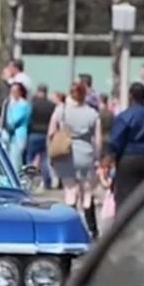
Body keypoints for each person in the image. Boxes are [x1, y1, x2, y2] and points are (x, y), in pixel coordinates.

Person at [108, 82, 144, 209]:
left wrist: (111, 157)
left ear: (130, 96)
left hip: (129, 157)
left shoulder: (125, 116)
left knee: (124, 195)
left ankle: (124, 225)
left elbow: (115, 141)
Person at [49, 81, 101, 215]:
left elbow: (51, 133)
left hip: (66, 153)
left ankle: (71, 221)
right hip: (86, 154)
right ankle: (92, 228)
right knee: (87, 192)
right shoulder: (92, 113)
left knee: (70, 191)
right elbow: (98, 140)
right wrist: (97, 158)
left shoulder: (61, 110)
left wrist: (51, 153)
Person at [26, 84, 55, 183]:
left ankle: (29, 178)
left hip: (34, 132)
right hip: (46, 133)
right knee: (44, 159)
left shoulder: (33, 104)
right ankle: (47, 180)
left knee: (30, 157)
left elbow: (29, 119)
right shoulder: (51, 105)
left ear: (38, 91)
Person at [3, 81, 32, 166]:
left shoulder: (23, 105)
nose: (13, 94)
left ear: (20, 92)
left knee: (15, 161)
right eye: (12, 91)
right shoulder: (9, 103)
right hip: (9, 136)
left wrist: (10, 107)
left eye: (15, 91)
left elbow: (13, 121)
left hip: (19, 136)